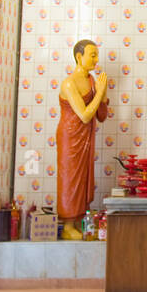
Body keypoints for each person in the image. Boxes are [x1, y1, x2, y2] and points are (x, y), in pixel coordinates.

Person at [57, 39, 110, 239]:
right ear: (79, 57)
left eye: (97, 55)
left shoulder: (91, 81)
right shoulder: (69, 83)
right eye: (92, 55)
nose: (96, 60)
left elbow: (101, 116)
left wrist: (102, 93)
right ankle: (68, 225)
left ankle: (80, 222)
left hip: (86, 136)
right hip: (70, 137)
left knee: (84, 177)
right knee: (70, 178)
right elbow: (85, 115)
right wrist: (99, 92)